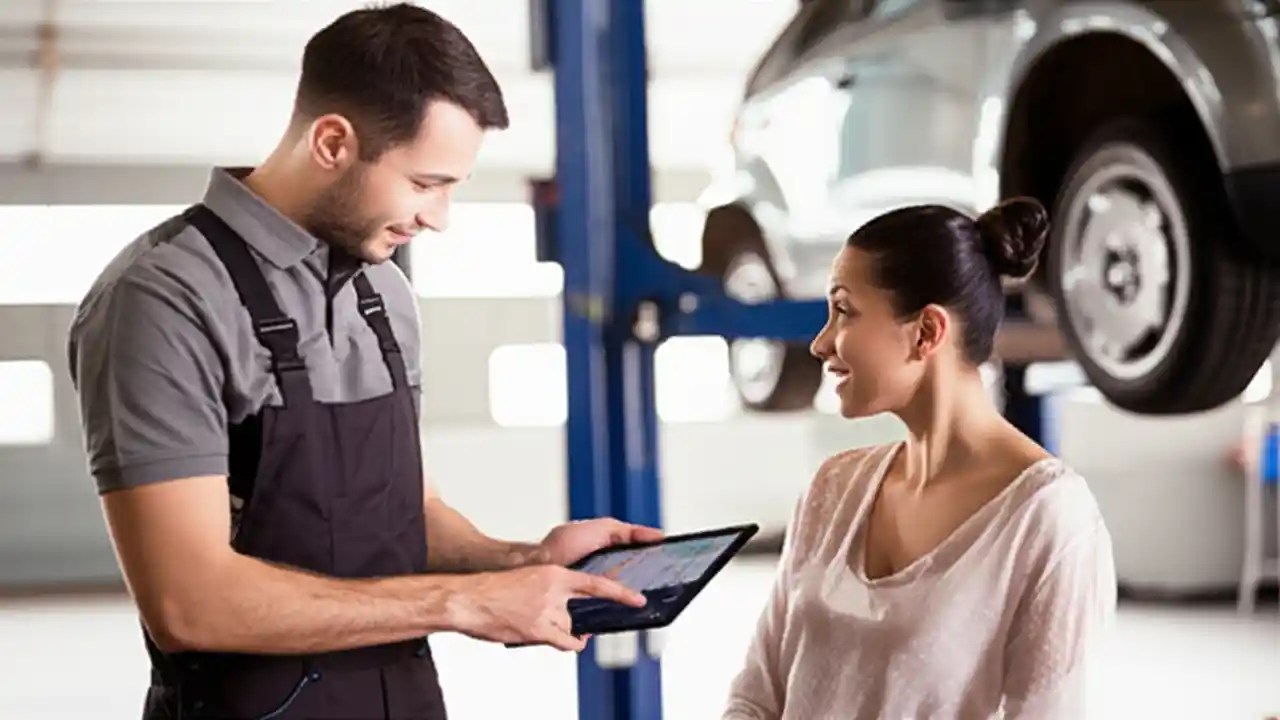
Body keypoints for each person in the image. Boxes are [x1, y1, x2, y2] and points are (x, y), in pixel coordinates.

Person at [66, 5, 660, 719]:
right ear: (333, 142)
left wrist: (523, 562)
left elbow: (413, 512)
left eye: (452, 188)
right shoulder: (163, 298)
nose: (438, 217)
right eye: (424, 183)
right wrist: (466, 603)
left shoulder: (385, 295)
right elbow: (189, 603)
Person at [721, 198, 1117, 719]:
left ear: (927, 331)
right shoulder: (834, 488)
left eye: (844, 311)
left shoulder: (1048, 519)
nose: (820, 344)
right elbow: (756, 695)